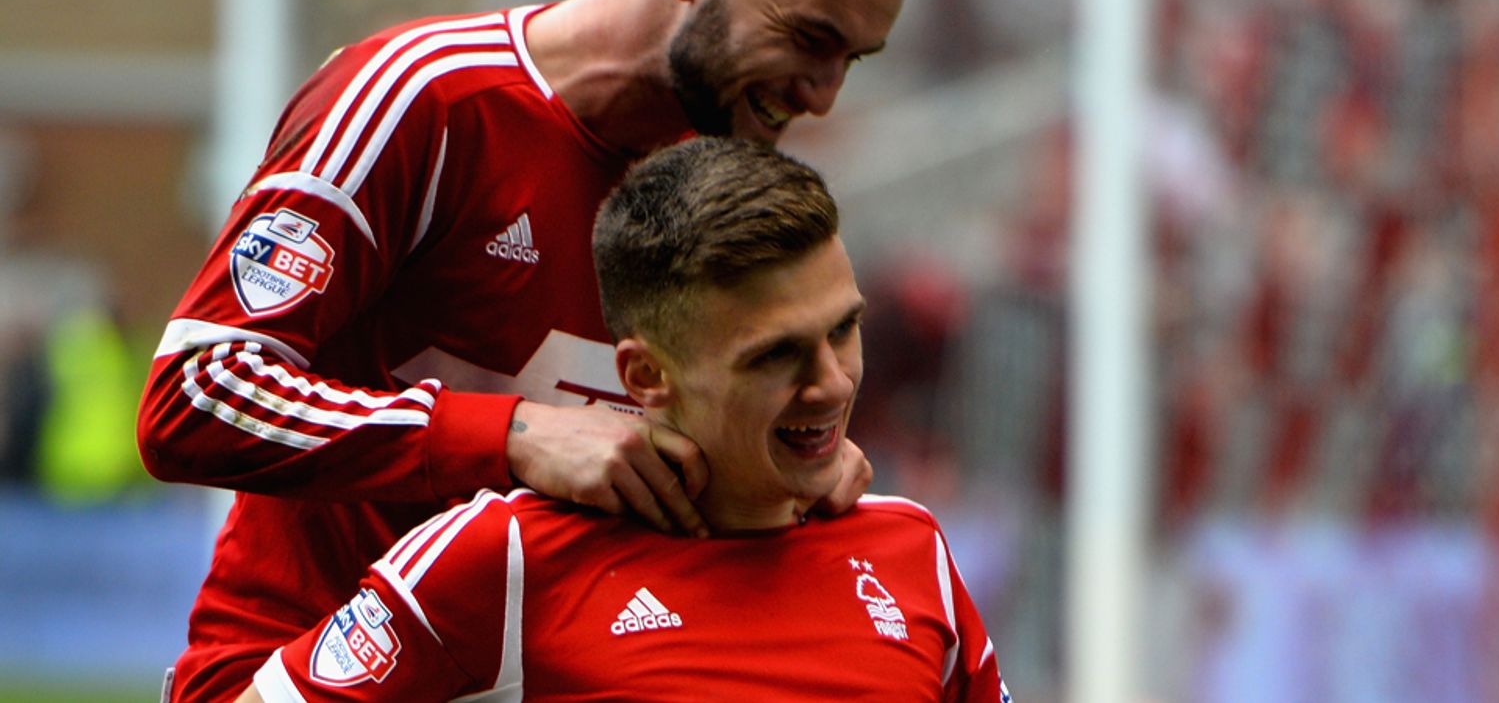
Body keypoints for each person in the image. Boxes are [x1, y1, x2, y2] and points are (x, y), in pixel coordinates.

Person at [136, 0, 908, 702]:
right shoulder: (422, 99)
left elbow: (653, 464)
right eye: (810, 38)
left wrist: (788, 465)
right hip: (306, 674)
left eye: (852, 57)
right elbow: (193, 394)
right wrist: (510, 437)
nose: (822, 95)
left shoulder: (713, 194)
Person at [234, 137, 1009, 702]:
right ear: (647, 376)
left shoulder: (911, 551)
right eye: (775, 357)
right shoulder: (502, 559)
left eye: (844, 328)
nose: (832, 382)